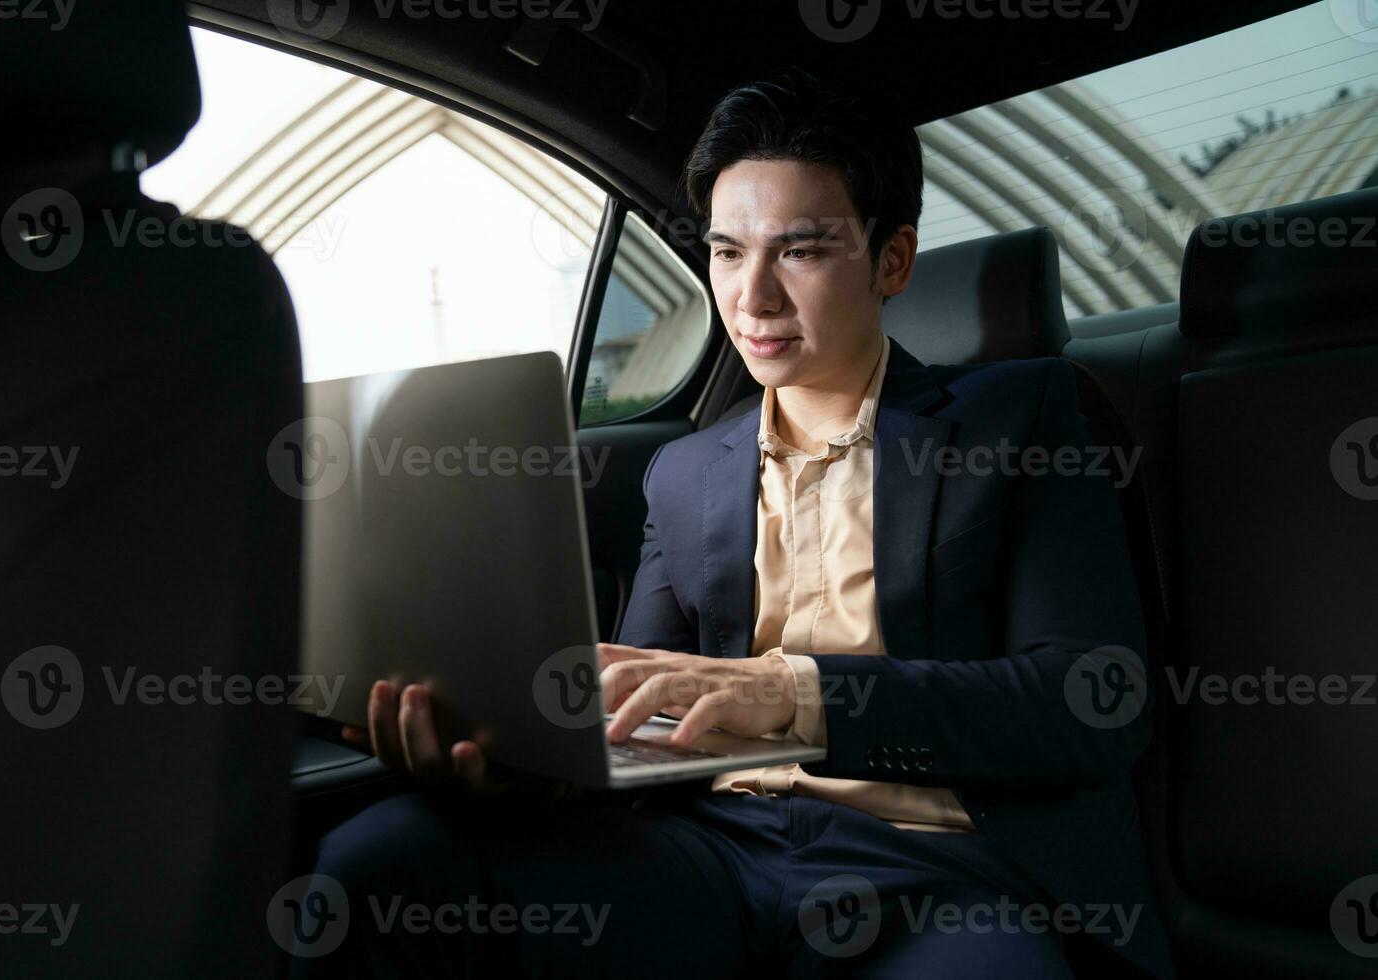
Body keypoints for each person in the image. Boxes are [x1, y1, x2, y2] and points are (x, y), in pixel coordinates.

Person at [291, 66, 1173, 979]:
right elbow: (636, 719)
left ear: (892, 259)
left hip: (940, 870)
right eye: (725, 252)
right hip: (715, 853)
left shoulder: (1020, 419)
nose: (752, 297)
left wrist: (792, 695)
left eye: (800, 250)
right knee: (381, 862)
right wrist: (512, 764)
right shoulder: (684, 472)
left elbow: (1089, 702)